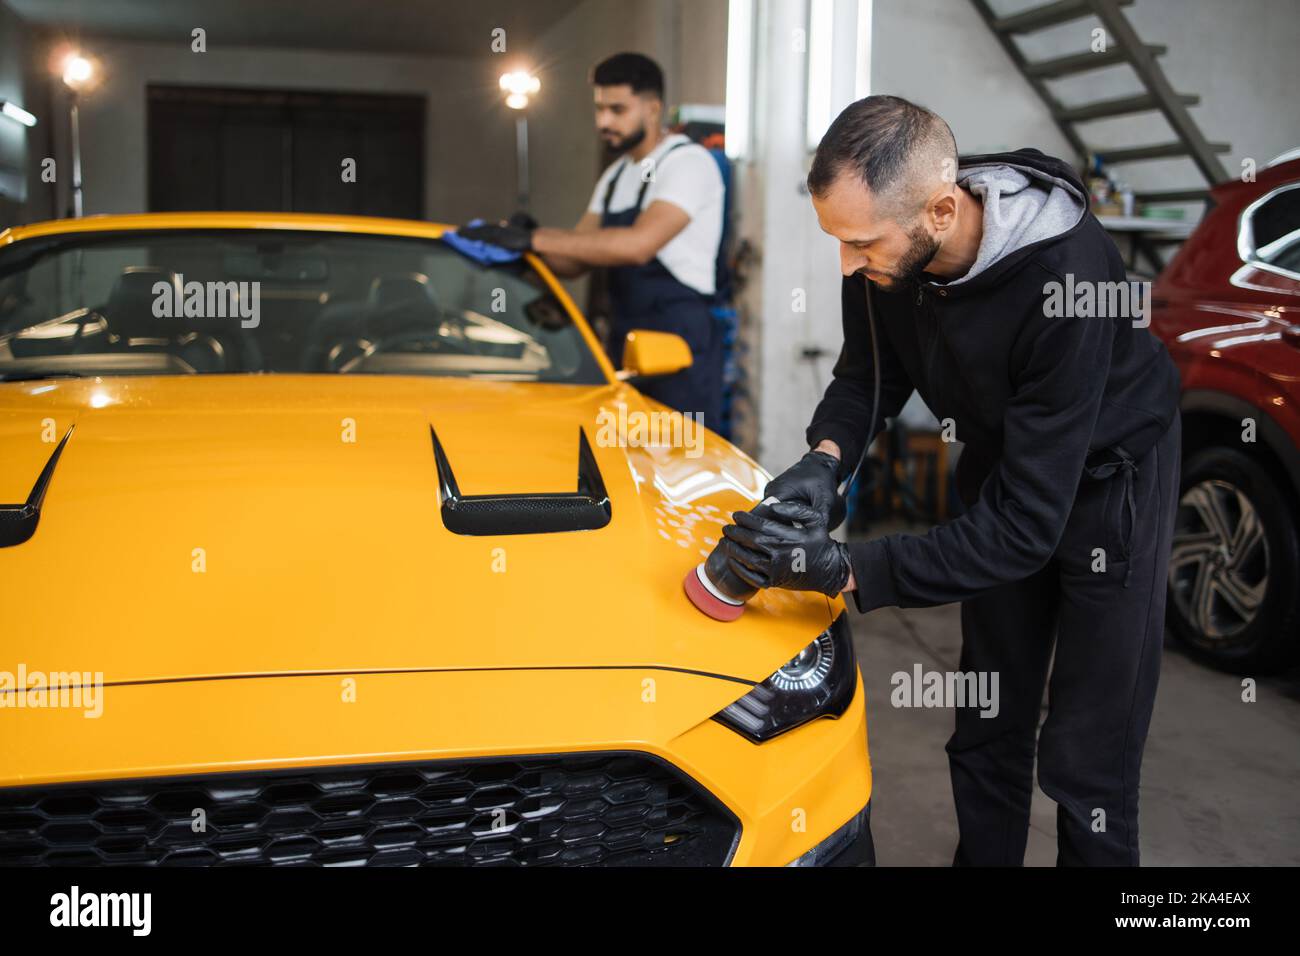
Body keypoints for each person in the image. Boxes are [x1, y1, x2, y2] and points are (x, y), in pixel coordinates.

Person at [718, 95, 1182, 866]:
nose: (846, 263)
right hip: (1008, 452)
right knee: (987, 718)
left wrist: (849, 571)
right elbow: (870, 373)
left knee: (1087, 750)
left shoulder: (1067, 273)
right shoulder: (882, 250)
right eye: (838, 240)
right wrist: (823, 462)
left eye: (861, 242)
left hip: (1114, 482)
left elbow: (1028, 526)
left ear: (940, 209)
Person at [458, 52, 726, 430]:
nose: (603, 122)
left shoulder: (688, 163)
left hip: (678, 349)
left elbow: (638, 246)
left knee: (683, 463)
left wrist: (535, 238)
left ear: (652, 108)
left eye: (617, 110)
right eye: (599, 109)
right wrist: (521, 248)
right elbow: (575, 259)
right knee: (631, 465)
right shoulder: (616, 175)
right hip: (624, 347)